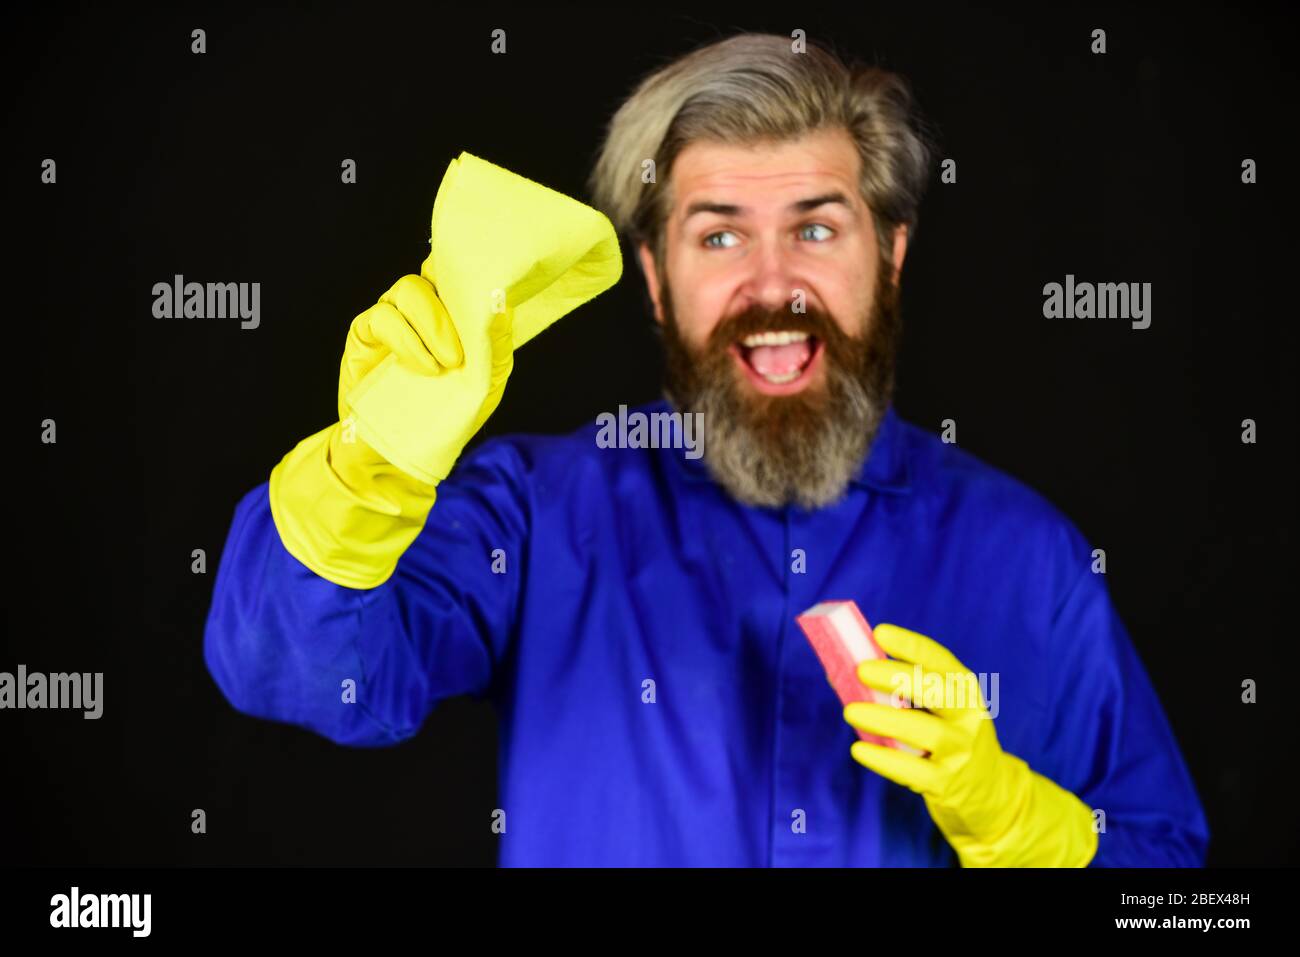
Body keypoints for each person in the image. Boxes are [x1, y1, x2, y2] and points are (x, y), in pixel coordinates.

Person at [203, 32, 1209, 866]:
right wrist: (368, 468)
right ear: (653, 275)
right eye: (717, 237)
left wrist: (1019, 822)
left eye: (816, 229)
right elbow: (287, 672)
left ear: (890, 257)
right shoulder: (535, 516)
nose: (771, 285)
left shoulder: (1028, 559)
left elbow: (1171, 882)